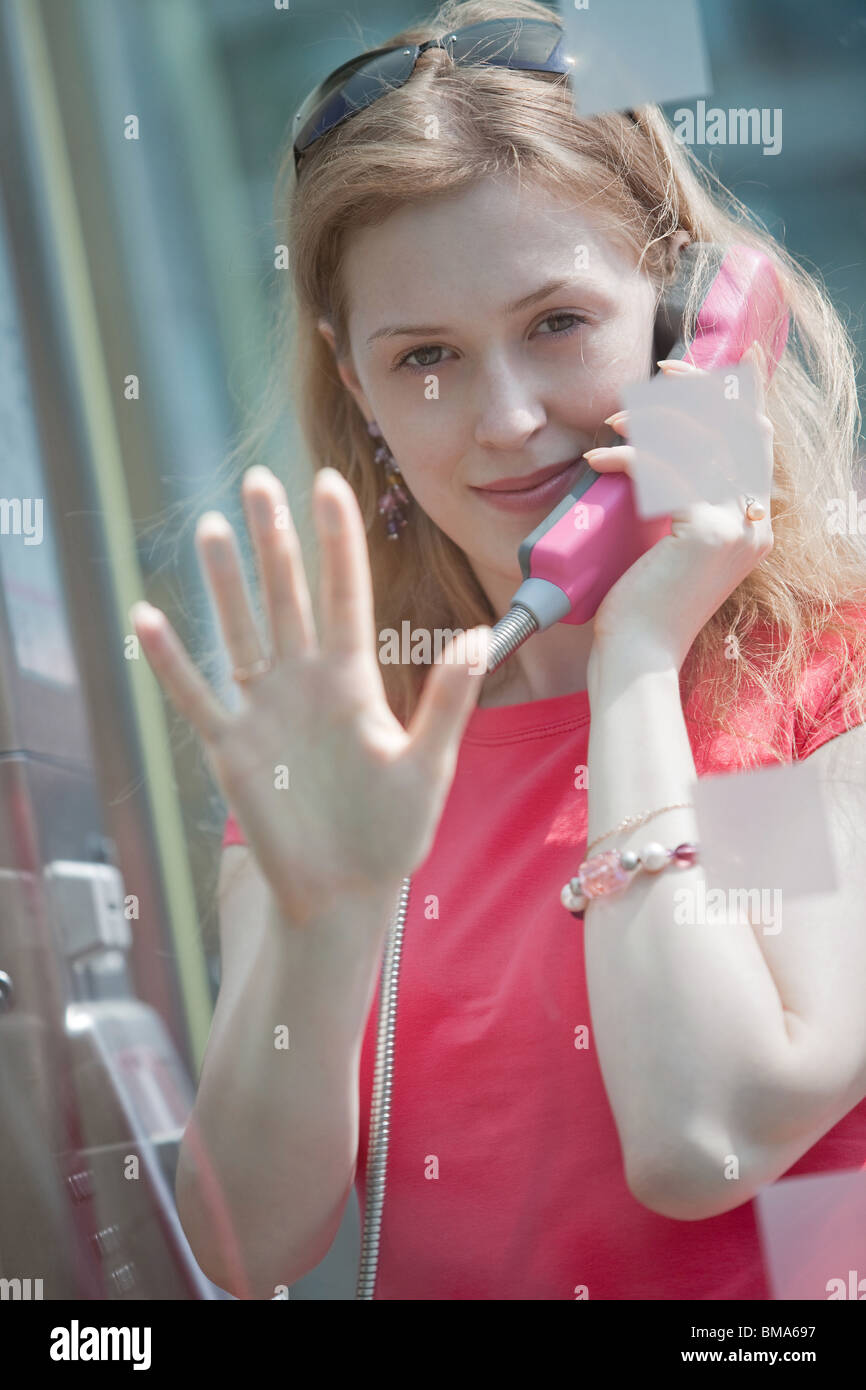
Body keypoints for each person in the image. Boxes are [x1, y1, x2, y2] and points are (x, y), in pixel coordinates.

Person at [130, 0, 866, 1300]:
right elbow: (243, 1240)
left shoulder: (815, 679)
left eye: (556, 323)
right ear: (355, 390)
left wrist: (637, 652)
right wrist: (331, 910)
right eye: (426, 358)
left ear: (692, 320)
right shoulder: (362, 734)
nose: (508, 416)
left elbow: (704, 1133)